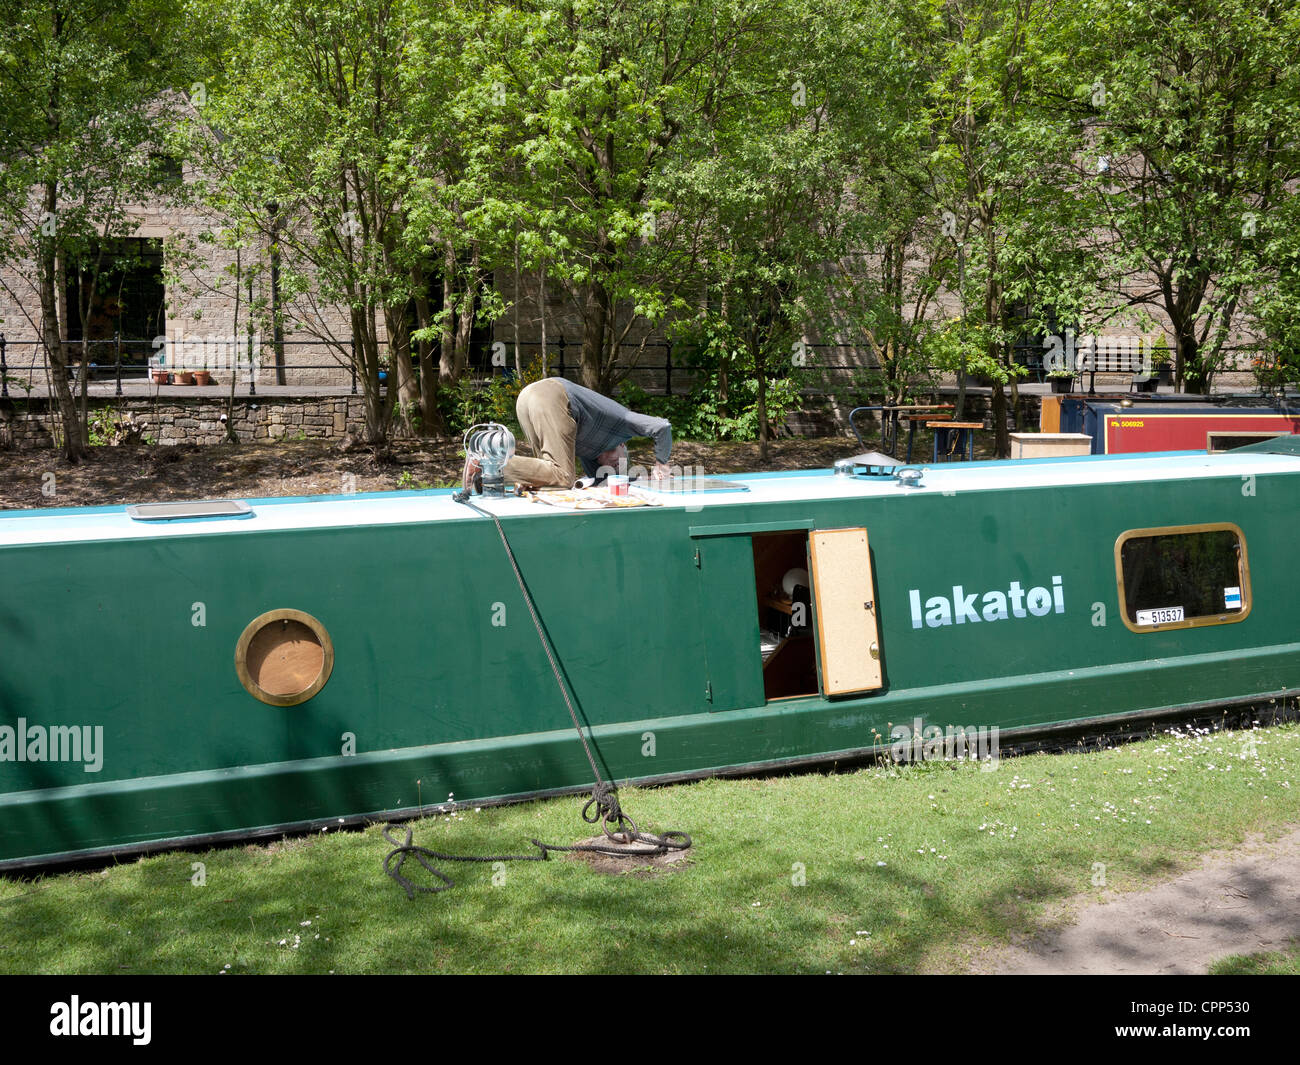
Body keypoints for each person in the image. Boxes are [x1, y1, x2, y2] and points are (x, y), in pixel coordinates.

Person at [501, 377, 673, 489]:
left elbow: (605, 484)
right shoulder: (624, 424)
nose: (611, 462)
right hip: (552, 394)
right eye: (617, 460)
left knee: (550, 482)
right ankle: (490, 463)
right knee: (563, 476)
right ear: (622, 444)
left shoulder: (591, 459)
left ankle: (487, 474)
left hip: (525, 399)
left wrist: (646, 480)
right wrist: (661, 465)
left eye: (612, 467)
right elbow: (662, 427)